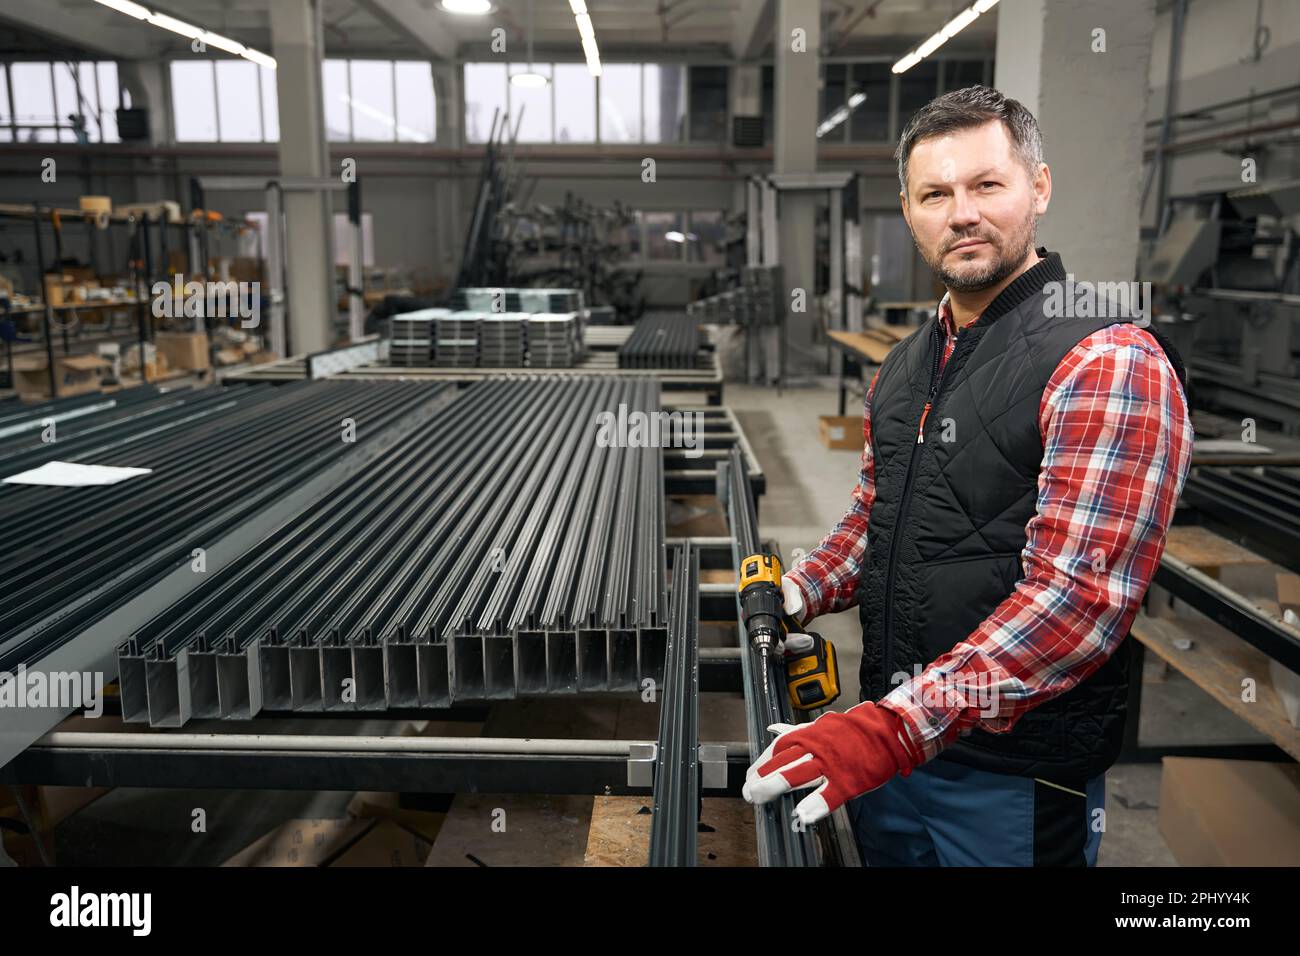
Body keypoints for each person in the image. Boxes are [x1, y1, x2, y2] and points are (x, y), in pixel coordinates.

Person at [743, 86, 1194, 867]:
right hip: (891, 753)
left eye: (987, 185)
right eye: (936, 194)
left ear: (1039, 188)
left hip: (1010, 776)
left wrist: (893, 726)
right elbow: (878, 516)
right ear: (910, 210)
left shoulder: (1106, 361)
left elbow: (1076, 602)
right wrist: (800, 590)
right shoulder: (905, 365)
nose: (962, 214)